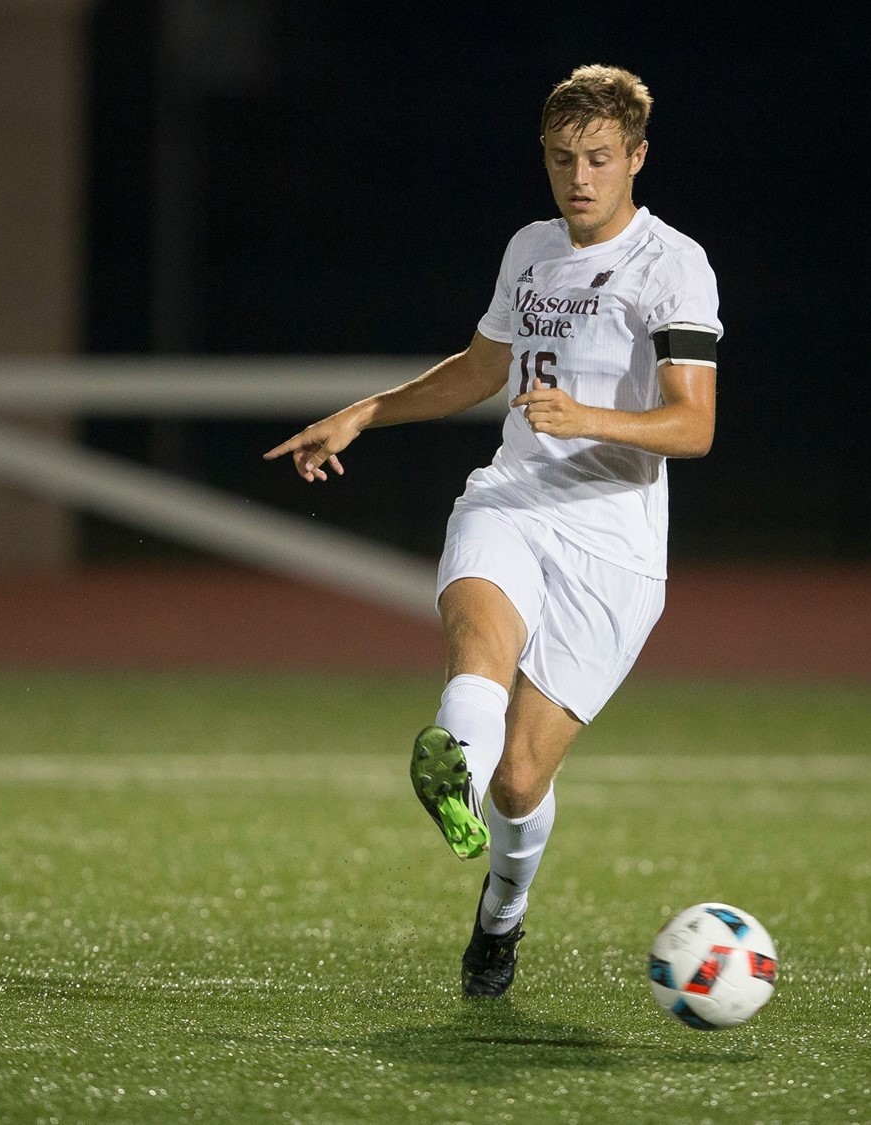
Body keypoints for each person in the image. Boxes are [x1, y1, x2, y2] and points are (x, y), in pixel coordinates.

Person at [264, 64, 721, 997]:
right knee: (479, 648)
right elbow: (481, 370)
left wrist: (587, 416)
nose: (578, 178)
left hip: (615, 547)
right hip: (511, 498)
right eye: (561, 160)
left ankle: (500, 913)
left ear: (637, 157)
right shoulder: (529, 251)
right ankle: (449, 763)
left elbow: (694, 425)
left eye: (598, 159)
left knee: (523, 781)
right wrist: (364, 412)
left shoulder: (675, 265)